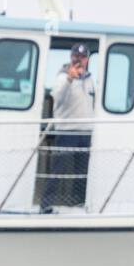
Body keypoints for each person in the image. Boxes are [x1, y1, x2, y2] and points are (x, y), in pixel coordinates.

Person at [36, 44, 95, 209]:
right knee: (58, 170)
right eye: (76, 57)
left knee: (82, 173)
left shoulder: (90, 79)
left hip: (86, 132)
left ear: (87, 59)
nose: (79, 60)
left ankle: (79, 203)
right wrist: (70, 79)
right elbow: (57, 98)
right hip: (67, 131)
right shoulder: (62, 77)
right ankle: (45, 205)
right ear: (71, 58)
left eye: (82, 57)